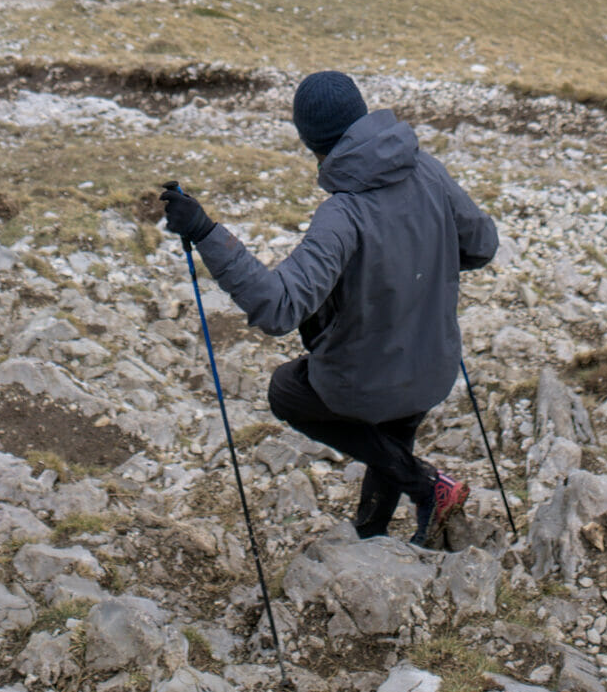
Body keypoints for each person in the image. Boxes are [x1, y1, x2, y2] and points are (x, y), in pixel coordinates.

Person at [159, 70, 498, 548]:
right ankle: (377, 536)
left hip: (370, 381)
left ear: (310, 143)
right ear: (361, 116)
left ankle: (428, 488)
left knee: (287, 392)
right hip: (432, 366)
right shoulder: (429, 172)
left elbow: (279, 308)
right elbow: (482, 245)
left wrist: (204, 231)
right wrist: (423, 262)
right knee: (391, 434)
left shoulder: (343, 214)